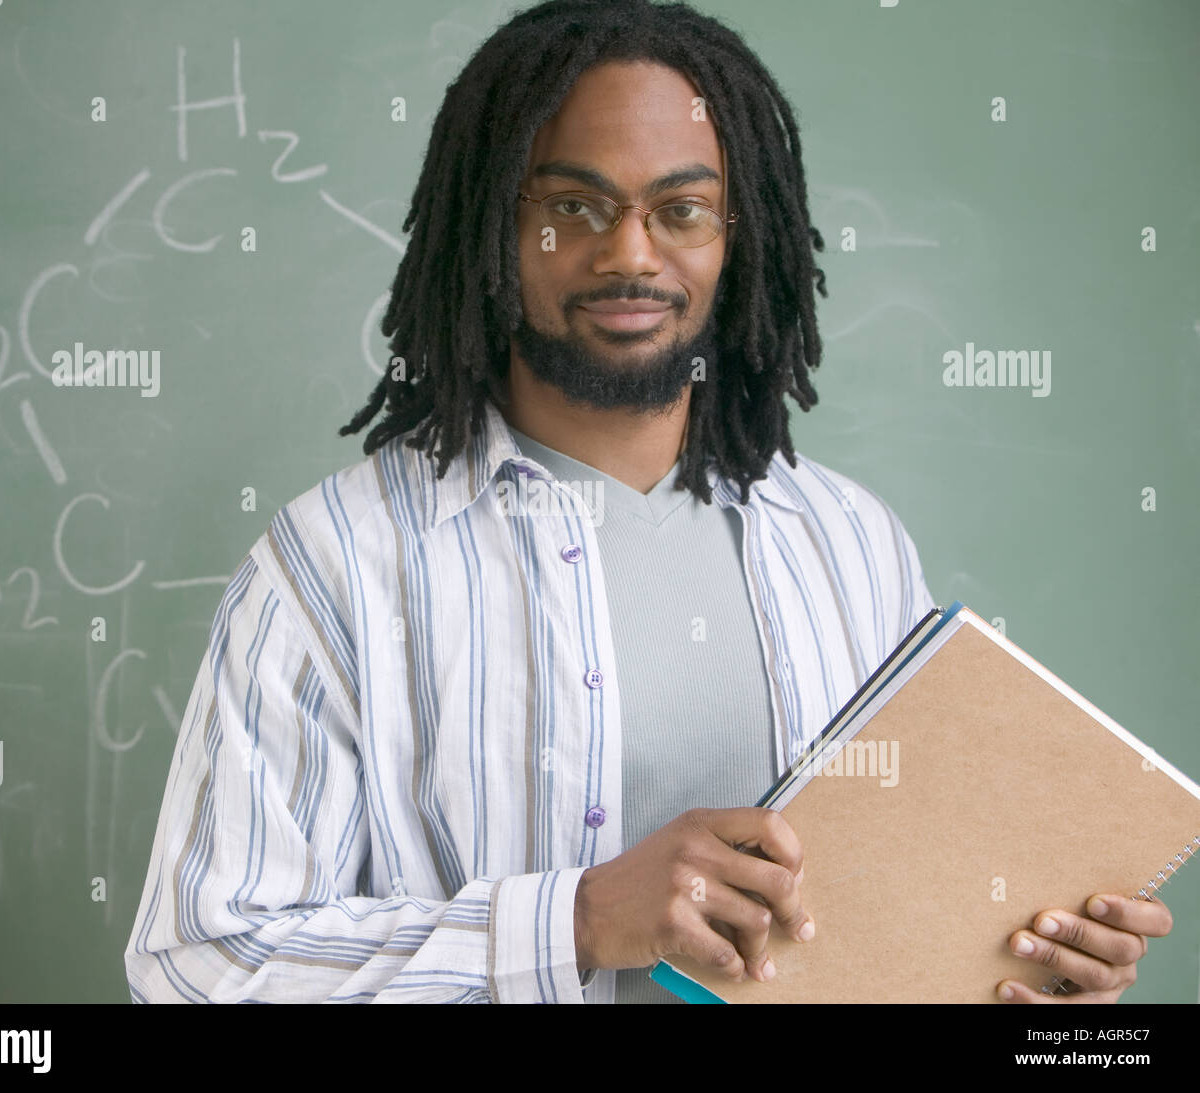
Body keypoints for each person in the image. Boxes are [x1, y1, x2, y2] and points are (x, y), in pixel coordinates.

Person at [125, 0, 1170, 1003]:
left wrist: (1028, 968)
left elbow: (903, 926)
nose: (630, 254)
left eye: (681, 211)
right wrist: (576, 921)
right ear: (494, 223)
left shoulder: (851, 545)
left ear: (737, 236)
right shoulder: (337, 563)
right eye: (571, 207)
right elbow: (196, 966)